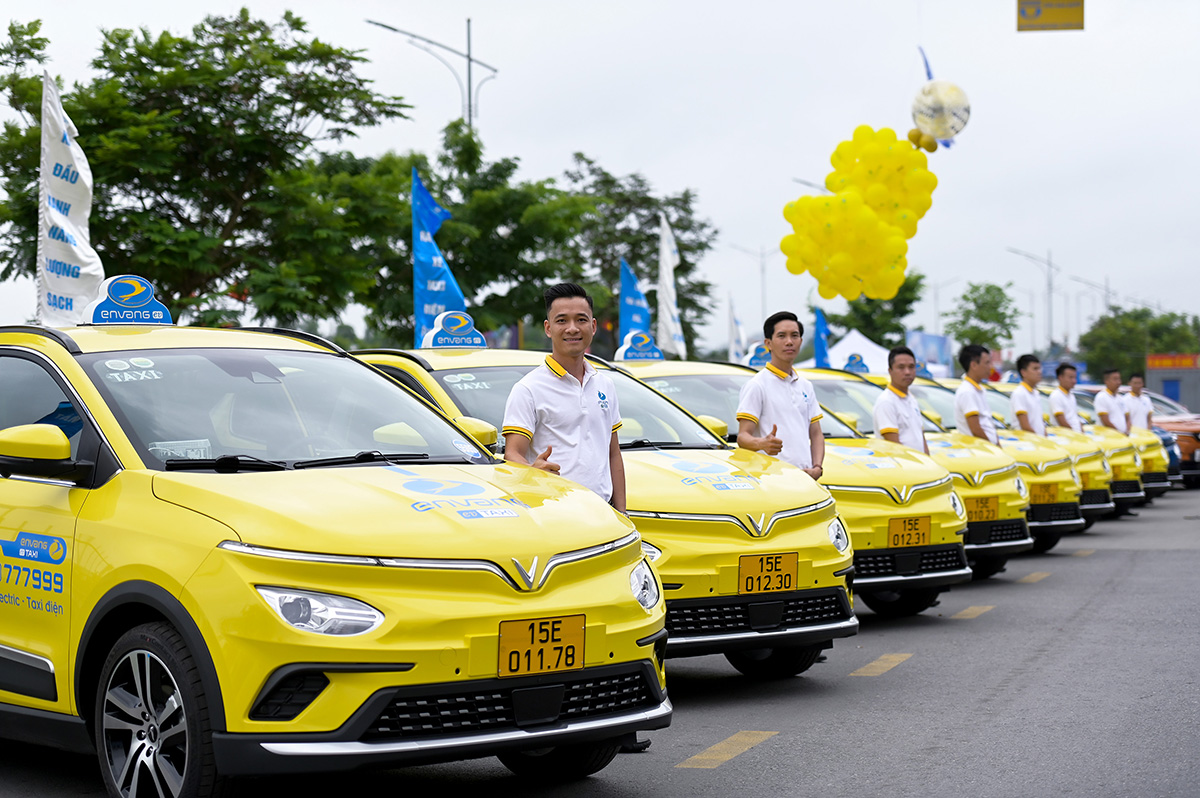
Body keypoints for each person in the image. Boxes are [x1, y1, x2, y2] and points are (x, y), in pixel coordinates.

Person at [502, 283, 627, 514]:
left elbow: (613, 453)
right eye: (562, 321)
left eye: (581, 319)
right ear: (548, 328)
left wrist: (622, 513)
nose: (572, 328)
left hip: (604, 512)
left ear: (593, 325)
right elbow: (512, 453)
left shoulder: (605, 384)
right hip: (554, 510)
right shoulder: (528, 388)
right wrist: (532, 470)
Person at [735, 311, 824, 479]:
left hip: (807, 478)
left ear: (801, 341)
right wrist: (762, 443)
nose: (789, 342)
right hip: (773, 479)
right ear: (768, 343)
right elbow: (742, 437)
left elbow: (816, 433)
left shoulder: (805, 385)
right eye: (781, 336)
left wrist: (817, 467)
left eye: (794, 336)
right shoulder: (757, 385)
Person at [873, 345, 929, 453]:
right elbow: (895, 446)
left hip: (920, 467)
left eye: (911, 367)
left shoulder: (911, 399)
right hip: (904, 466)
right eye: (901, 367)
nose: (907, 372)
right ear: (890, 371)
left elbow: (920, 437)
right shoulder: (886, 401)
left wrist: (929, 463)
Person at [954, 344, 998, 444]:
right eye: (987, 363)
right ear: (973, 365)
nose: (990, 367)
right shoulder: (967, 391)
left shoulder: (978, 389)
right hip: (980, 449)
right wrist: (992, 447)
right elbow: (975, 429)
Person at [1011, 354, 1046, 436]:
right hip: (1028, 442)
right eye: (1035, 369)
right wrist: (1039, 440)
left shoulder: (1035, 393)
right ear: (1023, 372)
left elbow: (1039, 422)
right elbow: (1025, 426)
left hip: (1039, 442)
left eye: (1039, 368)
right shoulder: (1019, 393)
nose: (1039, 372)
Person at [1094, 368, 1130, 434]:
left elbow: (1127, 418)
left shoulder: (1120, 398)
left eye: (1119, 379)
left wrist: (1127, 431)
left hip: (1123, 438)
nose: (1118, 382)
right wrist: (1118, 433)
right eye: (1115, 379)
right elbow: (1105, 420)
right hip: (1109, 437)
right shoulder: (1102, 397)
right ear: (1106, 381)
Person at [1049, 363, 1082, 432]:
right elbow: (1062, 422)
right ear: (1060, 377)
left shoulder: (1071, 396)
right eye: (1070, 377)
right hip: (1066, 437)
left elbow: (1075, 417)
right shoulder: (1056, 396)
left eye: (1075, 377)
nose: (1074, 381)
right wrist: (1074, 434)